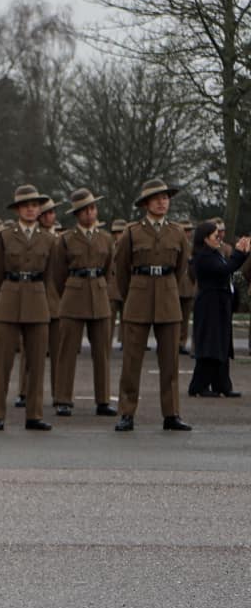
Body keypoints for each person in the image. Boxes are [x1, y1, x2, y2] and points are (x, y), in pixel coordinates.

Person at [112, 177, 194, 432]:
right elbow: (122, 269)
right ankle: (126, 412)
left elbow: (181, 268)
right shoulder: (132, 232)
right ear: (146, 203)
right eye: (157, 198)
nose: (162, 202)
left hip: (168, 297)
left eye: (166, 198)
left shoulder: (177, 232)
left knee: (170, 360)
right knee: (132, 360)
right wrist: (133, 293)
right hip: (138, 295)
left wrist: (167, 286)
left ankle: (171, 414)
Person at [0, 185, 63, 431]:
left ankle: (34, 414)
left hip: (38, 299)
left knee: (37, 362)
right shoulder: (4, 237)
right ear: (18, 209)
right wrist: (6, 292)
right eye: (26, 205)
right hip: (9, 298)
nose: (31, 209)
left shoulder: (49, 239)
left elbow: (53, 275)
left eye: (34, 205)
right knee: (2, 362)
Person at [52, 189, 116, 418]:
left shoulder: (106, 238)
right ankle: (63, 399)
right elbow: (58, 273)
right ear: (77, 214)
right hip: (74, 293)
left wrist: (100, 285)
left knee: (102, 351)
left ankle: (103, 400)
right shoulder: (66, 239)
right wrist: (70, 289)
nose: (89, 213)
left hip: (98, 294)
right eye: (84, 210)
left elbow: (109, 269)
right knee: (67, 351)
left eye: (92, 209)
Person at [189, 221, 249, 398]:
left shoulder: (215, 254)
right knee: (211, 344)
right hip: (210, 304)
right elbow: (225, 270)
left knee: (221, 343)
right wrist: (239, 253)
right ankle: (199, 385)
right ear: (205, 238)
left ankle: (222, 384)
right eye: (215, 236)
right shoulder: (203, 257)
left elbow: (229, 267)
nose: (219, 239)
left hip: (220, 303)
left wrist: (242, 254)